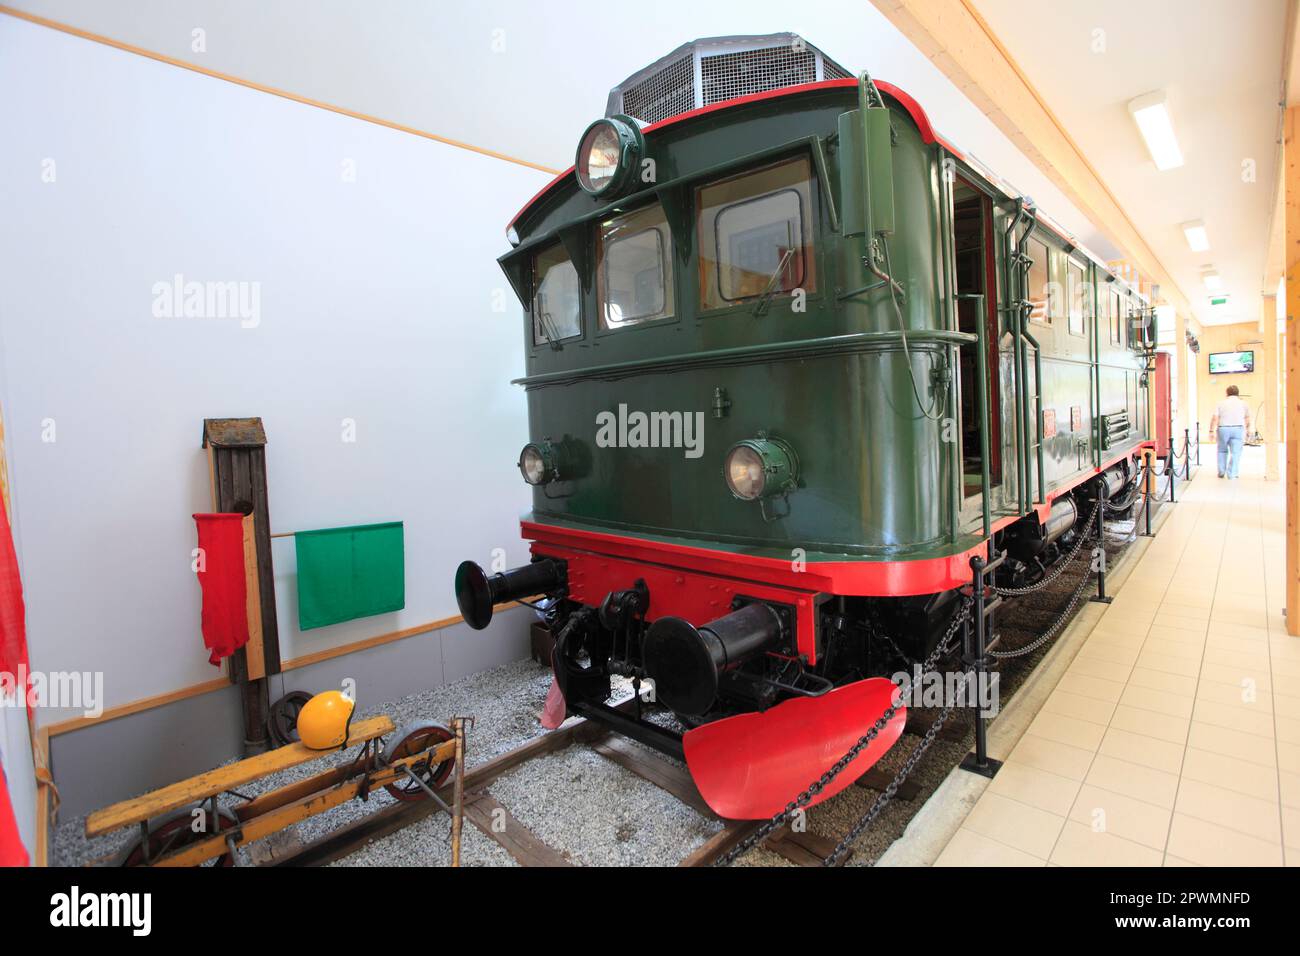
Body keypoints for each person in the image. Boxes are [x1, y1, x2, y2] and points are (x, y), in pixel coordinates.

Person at [1209, 385, 1251, 479]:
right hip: (1238, 429)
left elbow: (1215, 418)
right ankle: (1232, 473)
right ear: (1238, 393)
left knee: (1221, 451)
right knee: (1236, 452)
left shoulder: (1220, 403)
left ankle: (1221, 471)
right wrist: (1248, 430)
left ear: (1227, 393)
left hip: (1223, 429)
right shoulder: (1244, 403)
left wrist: (1211, 431)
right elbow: (1247, 418)